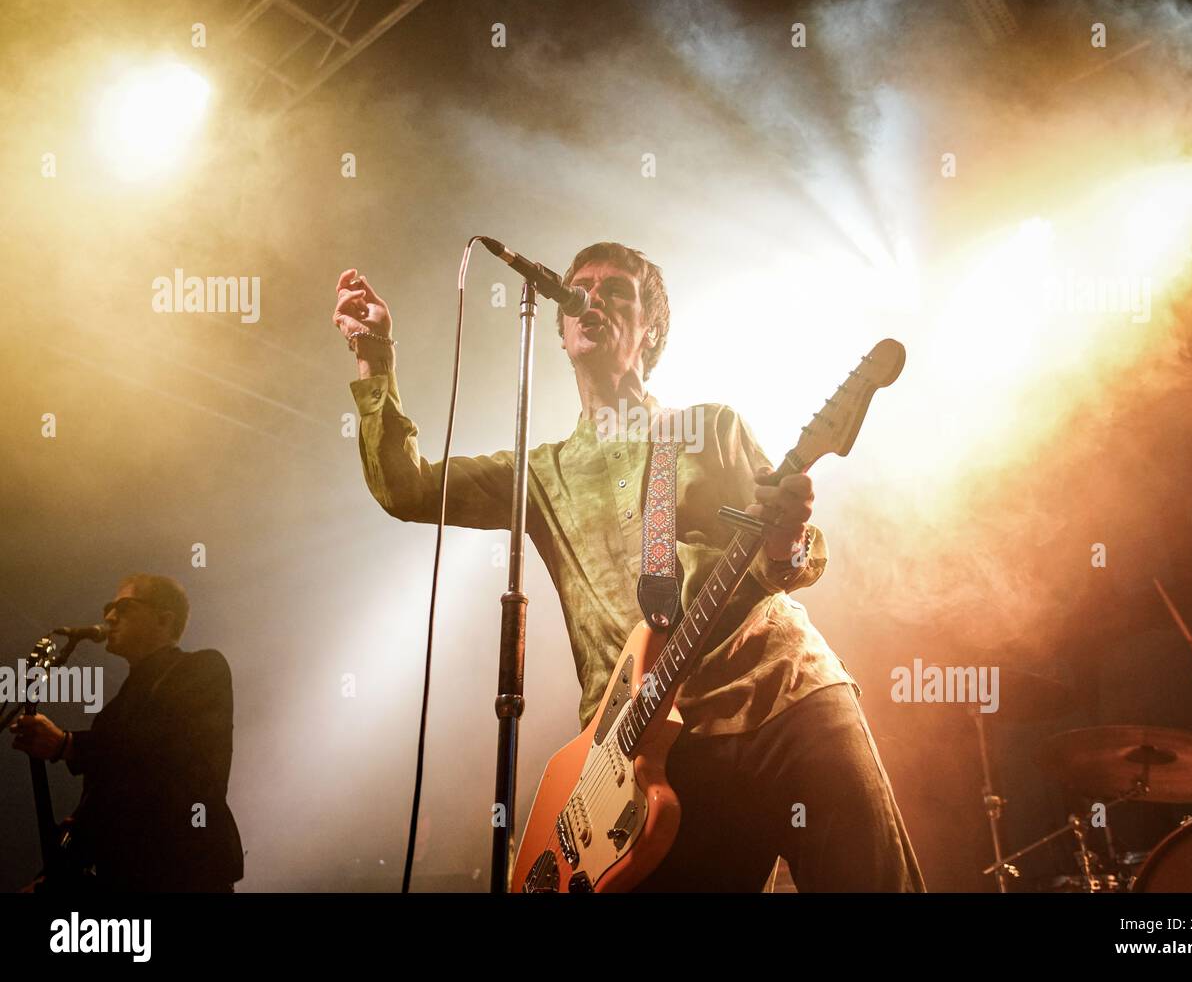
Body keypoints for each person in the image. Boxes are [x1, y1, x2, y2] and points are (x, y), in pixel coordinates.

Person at [333, 242, 924, 891]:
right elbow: (409, 489)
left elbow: (790, 555)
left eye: (618, 292)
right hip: (636, 751)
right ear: (558, 329)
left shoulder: (709, 427)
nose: (593, 298)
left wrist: (785, 540)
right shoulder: (541, 473)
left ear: (651, 331)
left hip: (782, 693)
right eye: (581, 287)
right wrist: (375, 359)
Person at [10, 574, 244, 892]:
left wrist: (68, 744)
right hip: (128, 874)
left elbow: (163, 749)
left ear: (164, 619)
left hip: (186, 871)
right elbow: (118, 789)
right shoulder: (114, 711)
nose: (109, 616)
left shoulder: (203, 668)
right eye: (108, 607)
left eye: (124, 607)